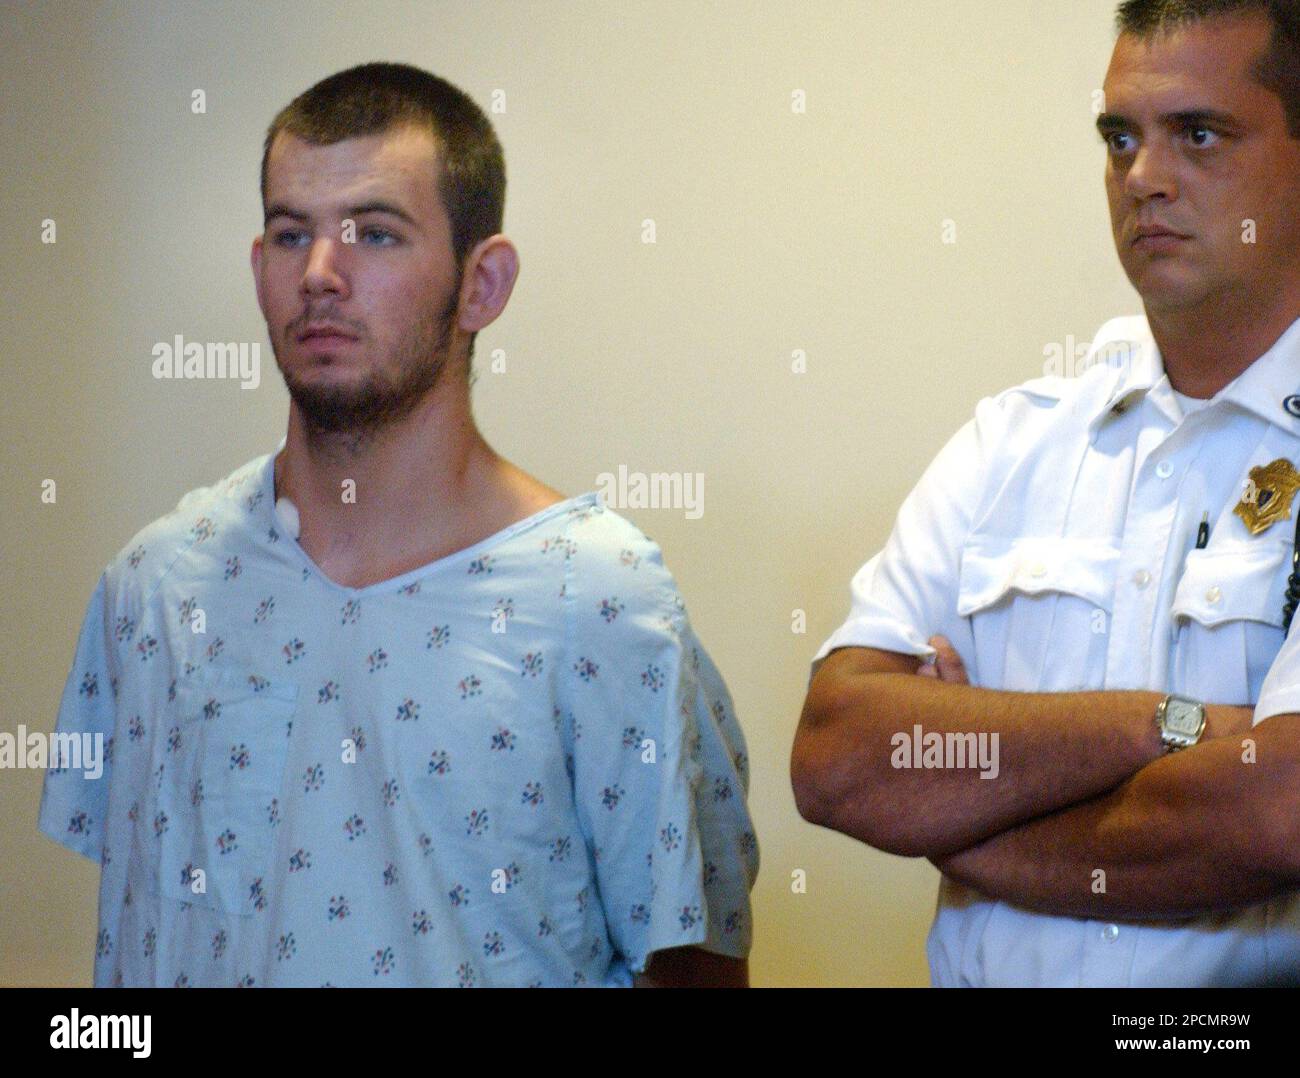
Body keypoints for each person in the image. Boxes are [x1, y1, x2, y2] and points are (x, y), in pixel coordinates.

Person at [39, 62, 757, 988]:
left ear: (481, 285)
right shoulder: (155, 589)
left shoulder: (604, 606)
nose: (321, 275)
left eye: (375, 233)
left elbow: (692, 966)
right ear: (259, 271)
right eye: (291, 234)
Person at [793, 0, 1300, 987]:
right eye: (1120, 138)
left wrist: (971, 830)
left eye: (1198, 134)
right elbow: (839, 757)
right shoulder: (1013, 440)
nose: (1143, 177)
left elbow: (1273, 809)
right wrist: (1175, 725)